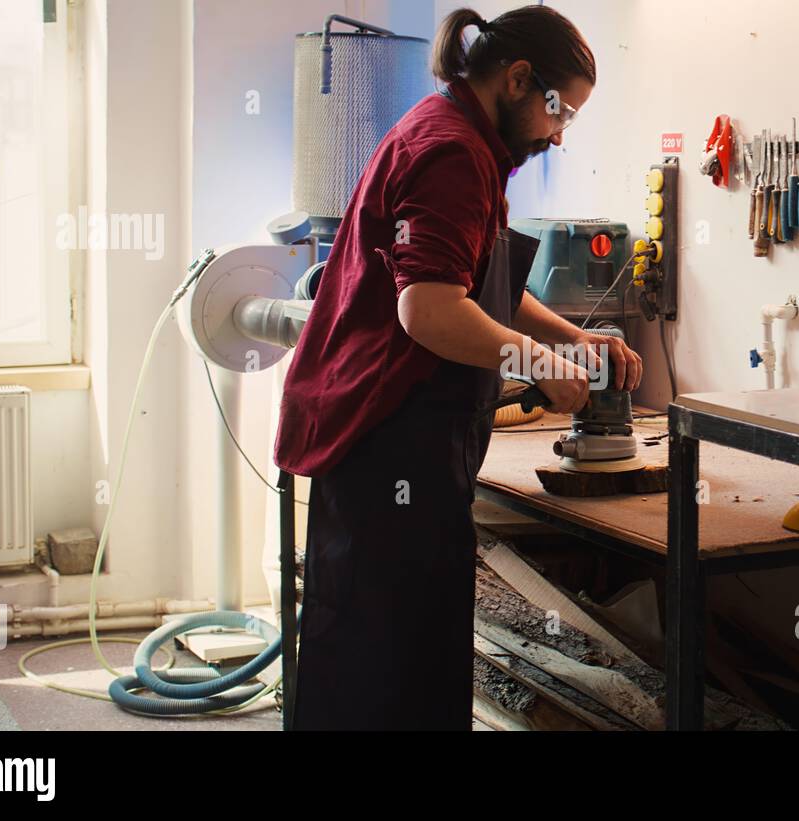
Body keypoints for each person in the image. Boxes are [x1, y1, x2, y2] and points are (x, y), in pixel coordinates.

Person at [275, 5, 644, 730]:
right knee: (382, 671)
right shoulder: (450, 153)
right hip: (387, 445)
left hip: (404, 443)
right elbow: (431, 311)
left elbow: (481, 287)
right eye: (557, 112)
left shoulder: (464, 139)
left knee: (408, 657)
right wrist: (538, 360)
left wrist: (575, 339)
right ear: (515, 80)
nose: (560, 134)